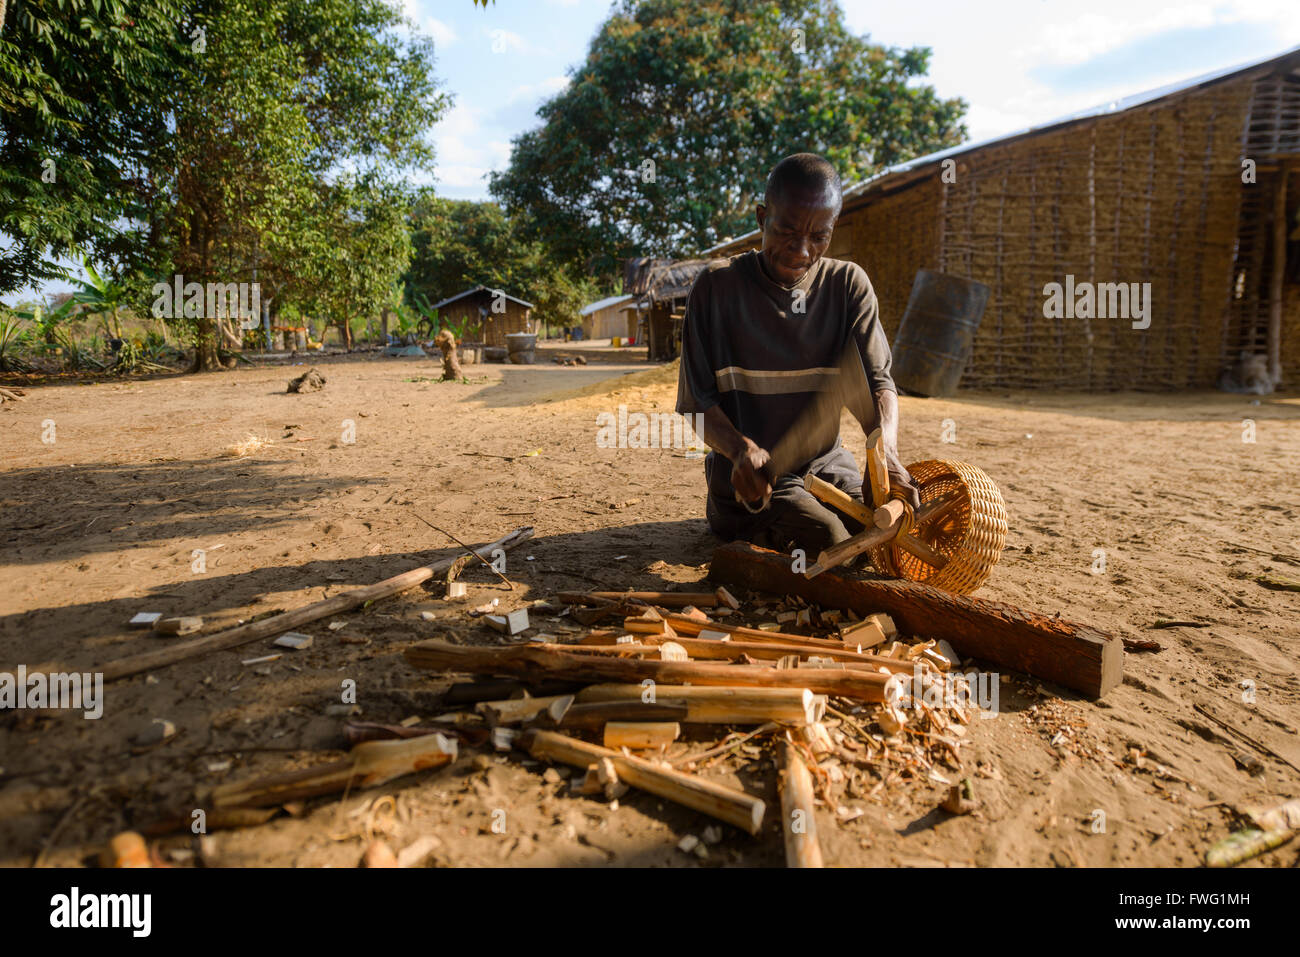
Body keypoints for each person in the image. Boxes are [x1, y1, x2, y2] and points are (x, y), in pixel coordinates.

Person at [676, 152, 919, 556]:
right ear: (761, 217)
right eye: (787, 231)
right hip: (754, 476)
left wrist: (886, 454)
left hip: (826, 465)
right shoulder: (716, 288)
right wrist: (740, 450)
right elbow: (695, 404)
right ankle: (734, 515)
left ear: (833, 228)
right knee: (832, 543)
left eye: (818, 236)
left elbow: (878, 383)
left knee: (881, 531)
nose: (801, 251)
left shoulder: (847, 285)